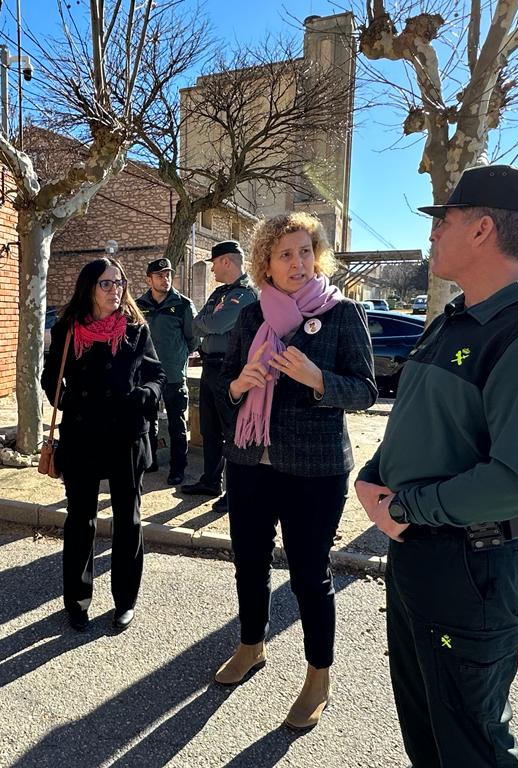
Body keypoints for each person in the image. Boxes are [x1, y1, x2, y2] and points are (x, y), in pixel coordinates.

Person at [355, 165, 518, 767]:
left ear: (483, 229)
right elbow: (419, 423)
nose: (433, 235)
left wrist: (404, 508)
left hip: (469, 565)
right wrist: (374, 476)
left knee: (471, 746)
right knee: (427, 733)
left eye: (445, 222)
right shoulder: (454, 320)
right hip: (420, 551)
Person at [214, 212, 377, 732]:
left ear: (318, 255)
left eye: (306, 251)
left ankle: (317, 676)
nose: (298, 262)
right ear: (266, 261)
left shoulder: (342, 315)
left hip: (314, 469)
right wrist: (240, 385)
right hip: (250, 463)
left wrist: (318, 378)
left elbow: (367, 391)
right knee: (249, 562)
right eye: (285, 254)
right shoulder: (247, 318)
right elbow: (221, 391)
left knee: (309, 575)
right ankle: (251, 645)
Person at [41, 257, 166, 632]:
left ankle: (125, 600)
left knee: (129, 520)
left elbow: (156, 374)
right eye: (106, 284)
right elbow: (51, 376)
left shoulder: (134, 328)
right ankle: (77, 602)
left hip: (127, 435)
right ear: (89, 288)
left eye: (119, 283)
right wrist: (67, 401)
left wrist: (143, 397)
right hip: (82, 436)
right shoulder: (67, 327)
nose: (116, 290)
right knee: (81, 520)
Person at [180, 241, 257, 501]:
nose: (212, 269)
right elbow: (196, 324)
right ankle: (211, 482)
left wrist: (208, 324)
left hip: (231, 369)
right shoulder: (219, 294)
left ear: (226, 261)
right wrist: (208, 324)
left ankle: (234, 490)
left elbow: (216, 322)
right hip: (210, 366)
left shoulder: (245, 294)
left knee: (232, 431)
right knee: (209, 429)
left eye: (214, 263)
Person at [136, 257, 199, 486]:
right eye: (160, 275)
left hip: (173, 374)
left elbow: (193, 340)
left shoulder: (183, 304)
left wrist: (177, 357)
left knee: (176, 423)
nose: (166, 279)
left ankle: (177, 468)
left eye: (168, 274)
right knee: (146, 421)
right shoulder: (139, 304)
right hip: (147, 376)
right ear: (149, 279)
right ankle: (150, 460)